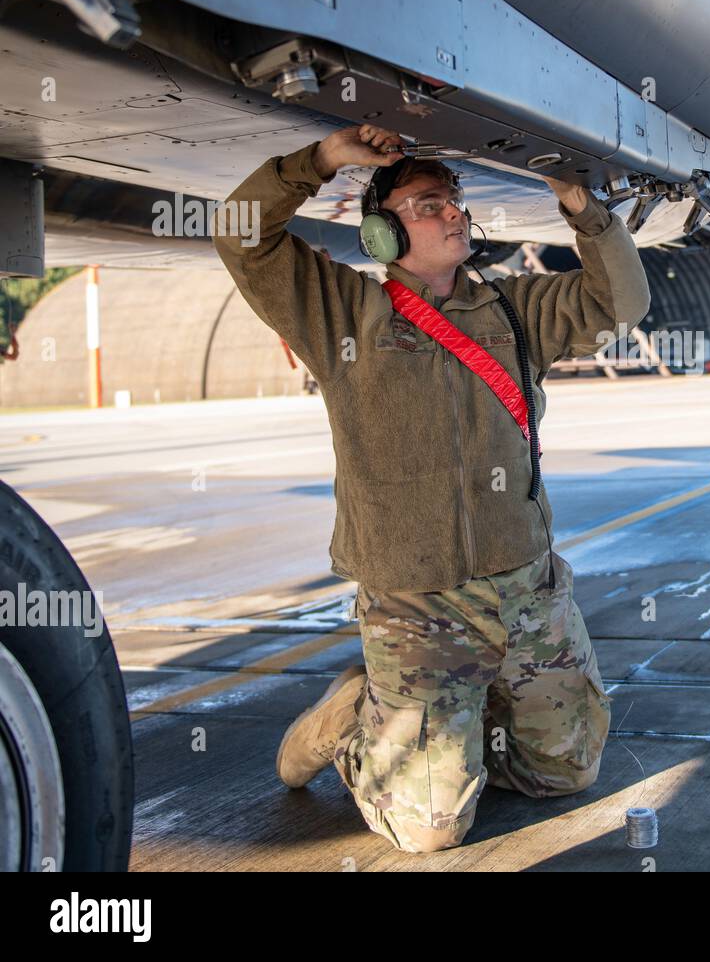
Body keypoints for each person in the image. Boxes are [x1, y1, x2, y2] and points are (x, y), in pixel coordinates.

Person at [213, 124, 651, 851]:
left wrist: (584, 210)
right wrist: (321, 162)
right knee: (429, 830)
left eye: (453, 200)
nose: (452, 214)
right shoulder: (342, 313)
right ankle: (354, 720)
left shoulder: (516, 310)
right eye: (427, 204)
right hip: (418, 607)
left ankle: (452, 729)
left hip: (527, 595)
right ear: (383, 233)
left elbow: (623, 303)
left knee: (566, 773)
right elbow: (239, 235)